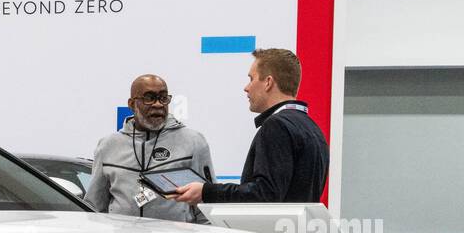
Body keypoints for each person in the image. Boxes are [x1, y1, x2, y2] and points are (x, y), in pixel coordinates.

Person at [173, 48, 328, 207]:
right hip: (295, 229)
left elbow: (264, 195)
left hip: (270, 231)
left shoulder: (277, 125)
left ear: (268, 82)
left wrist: (206, 192)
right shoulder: (312, 128)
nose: (246, 87)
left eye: (251, 78)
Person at [85, 74, 214, 223]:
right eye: (149, 98)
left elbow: (207, 204)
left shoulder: (194, 141)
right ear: (132, 104)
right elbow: (95, 206)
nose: (158, 104)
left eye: (163, 98)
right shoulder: (108, 145)